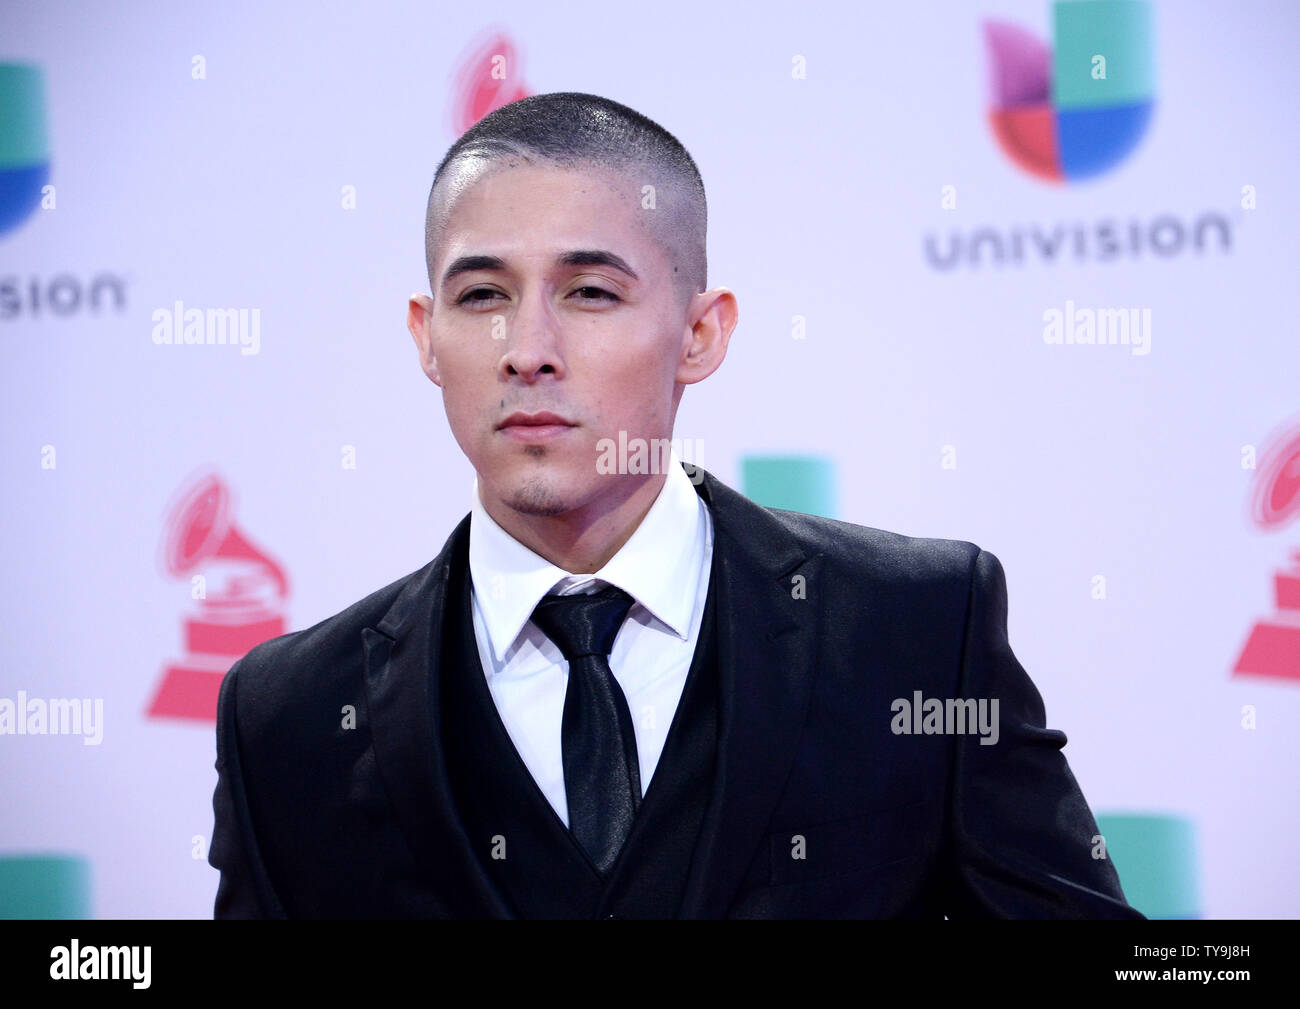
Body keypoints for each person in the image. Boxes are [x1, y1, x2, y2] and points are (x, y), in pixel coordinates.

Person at [208, 92, 1143, 919]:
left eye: (590, 292)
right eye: (484, 293)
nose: (527, 348)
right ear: (427, 337)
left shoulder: (916, 625)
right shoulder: (285, 714)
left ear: (700, 333)